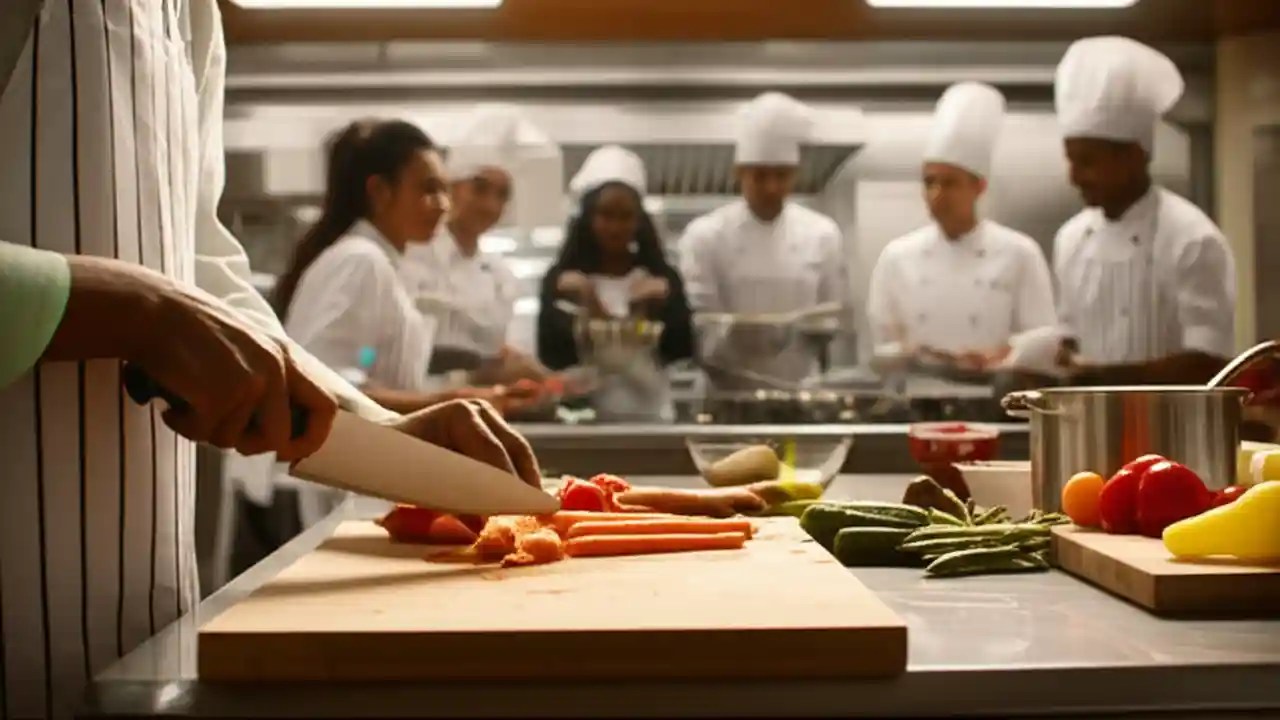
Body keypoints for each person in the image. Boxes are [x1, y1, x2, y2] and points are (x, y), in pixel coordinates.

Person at [0, 4, 538, 718]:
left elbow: (200, 264)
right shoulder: (360, 262)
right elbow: (176, 297)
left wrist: (380, 429)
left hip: (141, 609)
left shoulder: (190, 10)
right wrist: (125, 306)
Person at [1050, 36, 1236, 385]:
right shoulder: (1070, 239)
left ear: (1135, 156)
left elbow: (1209, 364)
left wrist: (1104, 380)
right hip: (1089, 430)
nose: (1074, 176)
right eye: (1070, 160)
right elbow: (1070, 335)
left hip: (1172, 435)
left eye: (1087, 161)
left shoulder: (1192, 239)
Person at [867, 82, 1057, 375]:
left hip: (995, 401)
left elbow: (1044, 341)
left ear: (979, 186)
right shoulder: (896, 257)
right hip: (918, 401)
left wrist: (998, 355)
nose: (936, 194)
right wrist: (914, 353)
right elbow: (880, 349)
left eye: (950, 183)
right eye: (929, 182)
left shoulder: (1019, 253)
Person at [678, 92, 849, 391]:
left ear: (795, 175)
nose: (771, 187)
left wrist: (809, 330)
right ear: (739, 173)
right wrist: (741, 333)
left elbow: (831, 318)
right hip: (726, 397)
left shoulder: (823, 234)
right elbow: (700, 327)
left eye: (781, 175)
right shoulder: (705, 236)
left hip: (798, 394)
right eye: (760, 176)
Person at [537, 145, 694, 421]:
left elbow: (683, 350)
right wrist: (584, 306)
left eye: (625, 217)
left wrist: (662, 308)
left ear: (639, 221)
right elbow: (551, 356)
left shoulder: (660, 280)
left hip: (651, 417)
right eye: (606, 215)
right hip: (580, 420)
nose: (615, 227)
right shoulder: (564, 283)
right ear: (588, 218)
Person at [400, 104, 553, 383]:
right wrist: (475, 375)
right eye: (479, 188)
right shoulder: (408, 256)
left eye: (502, 194)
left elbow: (497, 351)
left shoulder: (498, 277)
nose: (489, 205)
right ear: (451, 186)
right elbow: (378, 354)